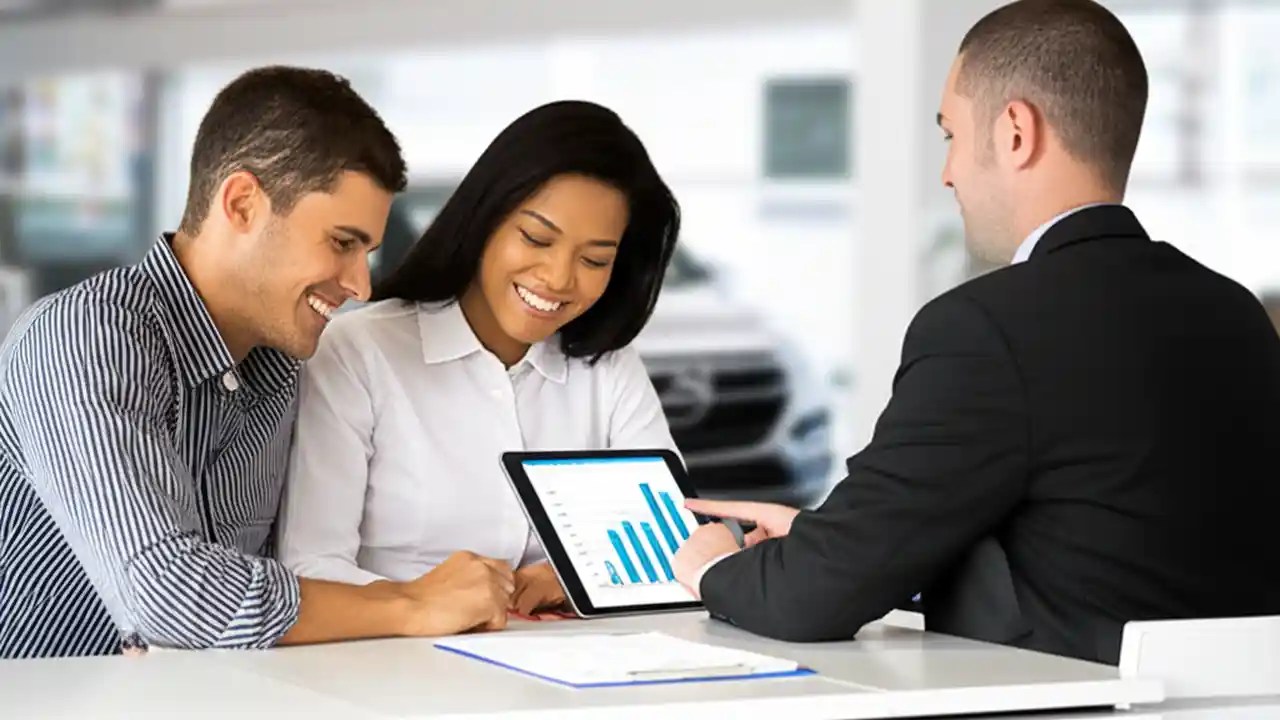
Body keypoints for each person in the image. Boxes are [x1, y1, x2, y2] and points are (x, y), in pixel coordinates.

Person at [673, 0, 1280, 665]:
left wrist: (713, 567)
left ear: (1016, 131)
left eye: (950, 136)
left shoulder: (985, 327)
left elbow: (812, 600)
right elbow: (1102, 548)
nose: (948, 172)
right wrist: (837, 537)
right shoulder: (1236, 314)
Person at [0, 66, 515, 659]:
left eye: (367, 253)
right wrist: (412, 604)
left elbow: (242, 601)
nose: (359, 285)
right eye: (342, 243)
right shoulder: (85, 336)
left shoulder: (279, 371)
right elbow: (170, 594)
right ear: (242, 204)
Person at [277, 100, 682, 618]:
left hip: (570, 671)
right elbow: (310, 566)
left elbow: (675, 548)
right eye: (536, 238)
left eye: (594, 260)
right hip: (393, 669)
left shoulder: (606, 366)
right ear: (486, 218)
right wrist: (425, 603)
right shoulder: (359, 352)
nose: (559, 278)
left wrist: (567, 579)